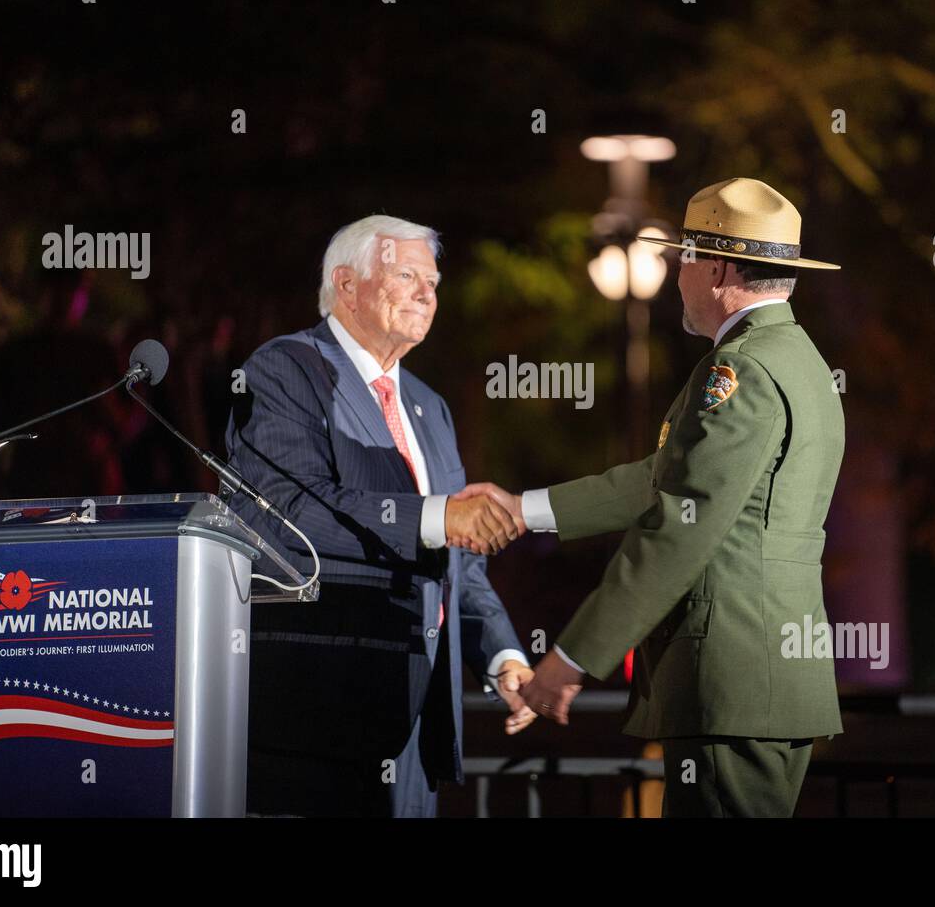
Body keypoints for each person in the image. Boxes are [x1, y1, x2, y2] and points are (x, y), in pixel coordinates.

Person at [472, 178, 847, 817]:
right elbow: (664, 481)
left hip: (728, 684)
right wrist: (521, 510)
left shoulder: (742, 370)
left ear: (721, 268)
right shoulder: (797, 359)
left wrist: (570, 659)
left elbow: (679, 526)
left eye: (685, 258)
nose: (676, 274)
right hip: (759, 680)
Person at [225, 214, 534, 817]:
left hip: (416, 724)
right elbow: (284, 512)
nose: (428, 293)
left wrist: (501, 656)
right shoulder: (286, 369)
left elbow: (455, 560)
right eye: (408, 276)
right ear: (347, 286)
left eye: (435, 281)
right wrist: (439, 517)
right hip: (319, 719)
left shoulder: (429, 406)